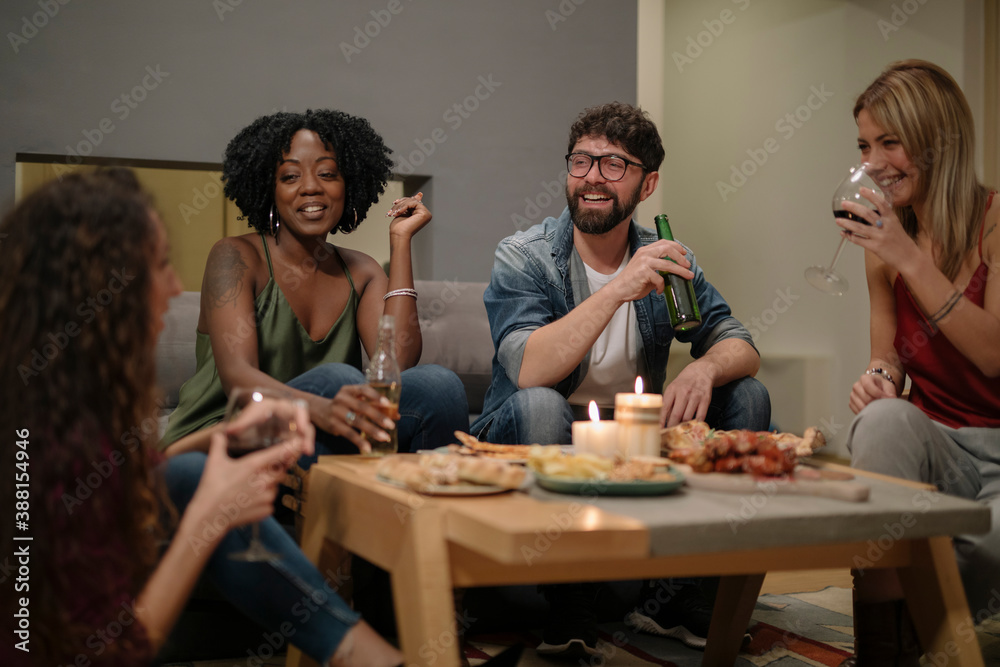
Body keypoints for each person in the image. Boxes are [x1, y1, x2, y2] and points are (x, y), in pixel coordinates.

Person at [0, 170, 404, 667]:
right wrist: (209, 518)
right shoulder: (28, 442)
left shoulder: (68, 400)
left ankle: (381, 657)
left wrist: (224, 436)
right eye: (160, 266)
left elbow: (133, 479)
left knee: (191, 471)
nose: (175, 287)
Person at [470, 102, 771, 655]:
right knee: (542, 405)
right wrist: (618, 287)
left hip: (630, 437)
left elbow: (742, 344)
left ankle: (677, 594)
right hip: (531, 431)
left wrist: (704, 366)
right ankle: (570, 602)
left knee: (747, 395)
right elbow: (531, 368)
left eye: (614, 165)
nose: (591, 178)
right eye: (581, 161)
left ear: (647, 182)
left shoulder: (669, 258)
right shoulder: (524, 255)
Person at [161, 109, 468, 458]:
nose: (310, 187)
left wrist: (400, 243)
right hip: (227, 437)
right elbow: (239, 381)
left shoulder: (362, 271)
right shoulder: (234, 256)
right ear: (269, 189)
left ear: (347, 184)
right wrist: (322, 408)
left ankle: (424, 506)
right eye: (290, 176)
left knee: (438, 386)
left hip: (316, 436)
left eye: (327, 174)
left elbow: (398, 363)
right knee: (336, 379)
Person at [836, 59, 1000, 666]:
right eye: (863, 145)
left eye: (890, 142)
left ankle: (927, 627)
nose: (872, 163)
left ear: (936, 142)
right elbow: (889, 357)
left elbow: (991, 355)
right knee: (880, 423)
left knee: (979, 557)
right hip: (944, 446)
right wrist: (878, 381)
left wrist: (909, 258)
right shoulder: (887, 240)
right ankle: (882, 652)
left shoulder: (995, 222)